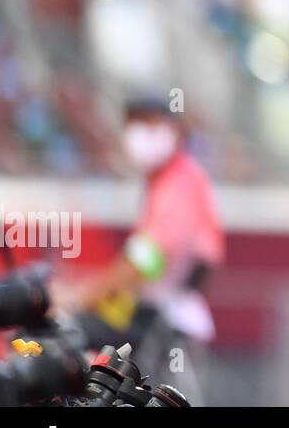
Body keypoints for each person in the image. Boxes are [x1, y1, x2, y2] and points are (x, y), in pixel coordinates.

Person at [55, 97, 224, 402]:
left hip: (159, 316)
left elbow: (146, 262)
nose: (140, 133)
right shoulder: (167, 181)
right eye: (134, 122)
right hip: (146, 310)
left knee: (61, 332)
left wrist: (80, 298)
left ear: (174, 130)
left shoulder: (180, 182)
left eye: (150, 122)